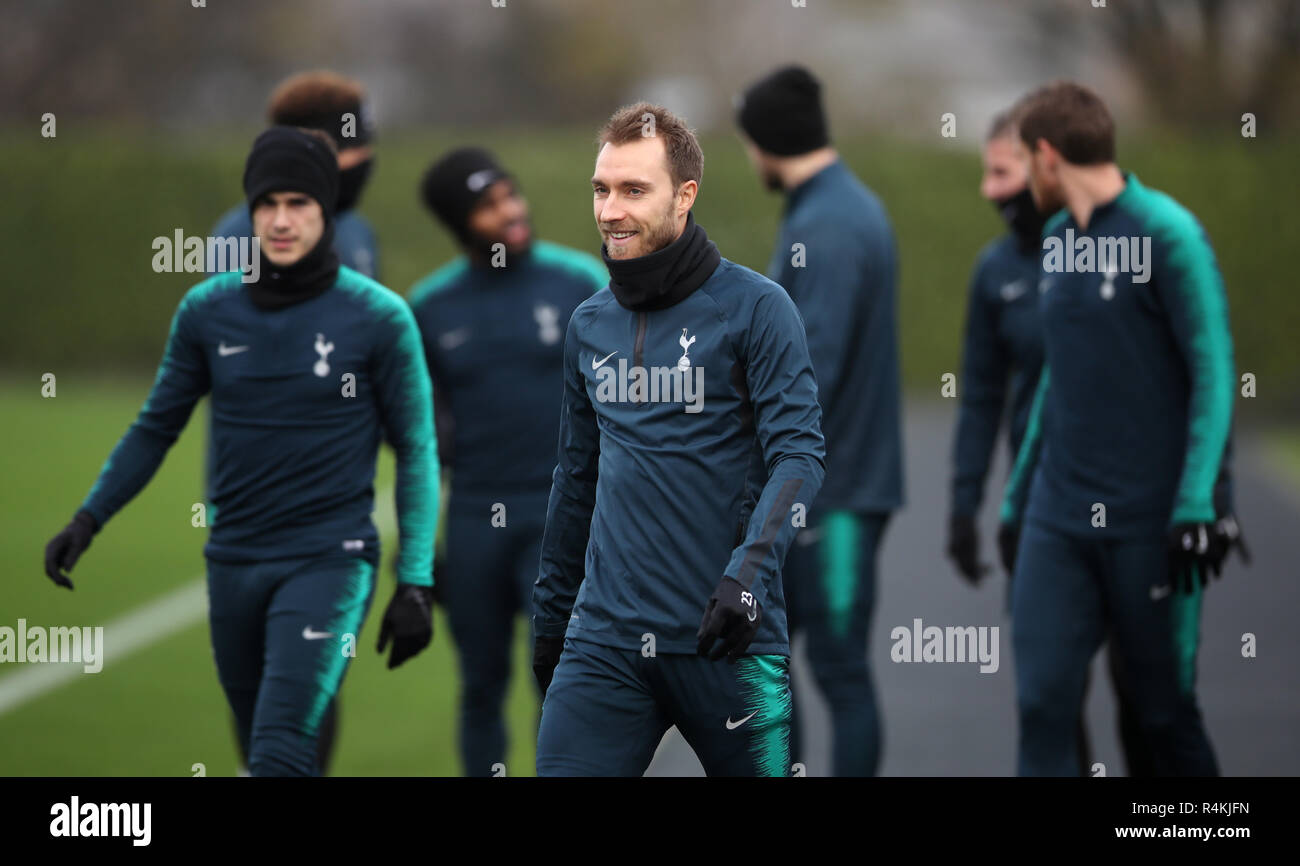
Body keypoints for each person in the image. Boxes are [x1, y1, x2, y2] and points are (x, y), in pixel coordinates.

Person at [43, 127, 439, 777]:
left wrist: (416, 580)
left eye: (299, 204)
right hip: (231, 560)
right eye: (267, 204)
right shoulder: (207, 312)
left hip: (330, 562)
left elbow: (418, 451)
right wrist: (89, 518)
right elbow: (155, 427)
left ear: (327, 210)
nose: (281, 221)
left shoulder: (379, 318)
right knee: (266, 745)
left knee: (279, 748)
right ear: (251, 212)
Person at [531, 102, 825, 776]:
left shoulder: (757, 309)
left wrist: (744, 578)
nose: (610, 210)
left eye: (634, 190)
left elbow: (799, 454)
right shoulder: (589, 323)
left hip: (729, 640)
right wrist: (553, 619)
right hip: (603, 645)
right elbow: (575, 478)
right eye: (602, 189)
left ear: (684, 195)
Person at [999, 81, 1239, 776]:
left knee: (1162, 716)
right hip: (1058, 520)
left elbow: (1215, 373)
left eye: (1022, 160)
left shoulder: (1168, 232)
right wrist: (1018, 497)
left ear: (1047, 156)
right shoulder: (1053, 240)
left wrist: (1198, 501)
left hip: (1150, 525)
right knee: (1043, 705)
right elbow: (1057, 378)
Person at [409, 147, 606, 776]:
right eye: (489, 207)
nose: (512, 212)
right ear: (459, 222)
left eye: (511, 195)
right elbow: (416, 435)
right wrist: (413, 549)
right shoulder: (429, 308)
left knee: (562, 686)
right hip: (472, 521)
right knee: (480, 685)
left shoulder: (580, 283)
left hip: (564, 518)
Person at [735, 65, 902, 776]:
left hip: (834, 498)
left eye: (749, 141)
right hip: (826, 492)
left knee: (837, 669)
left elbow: (813, 370)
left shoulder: (829, 223)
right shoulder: (826, 209)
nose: (748, 158)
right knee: (769, 662)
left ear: (769, 141)